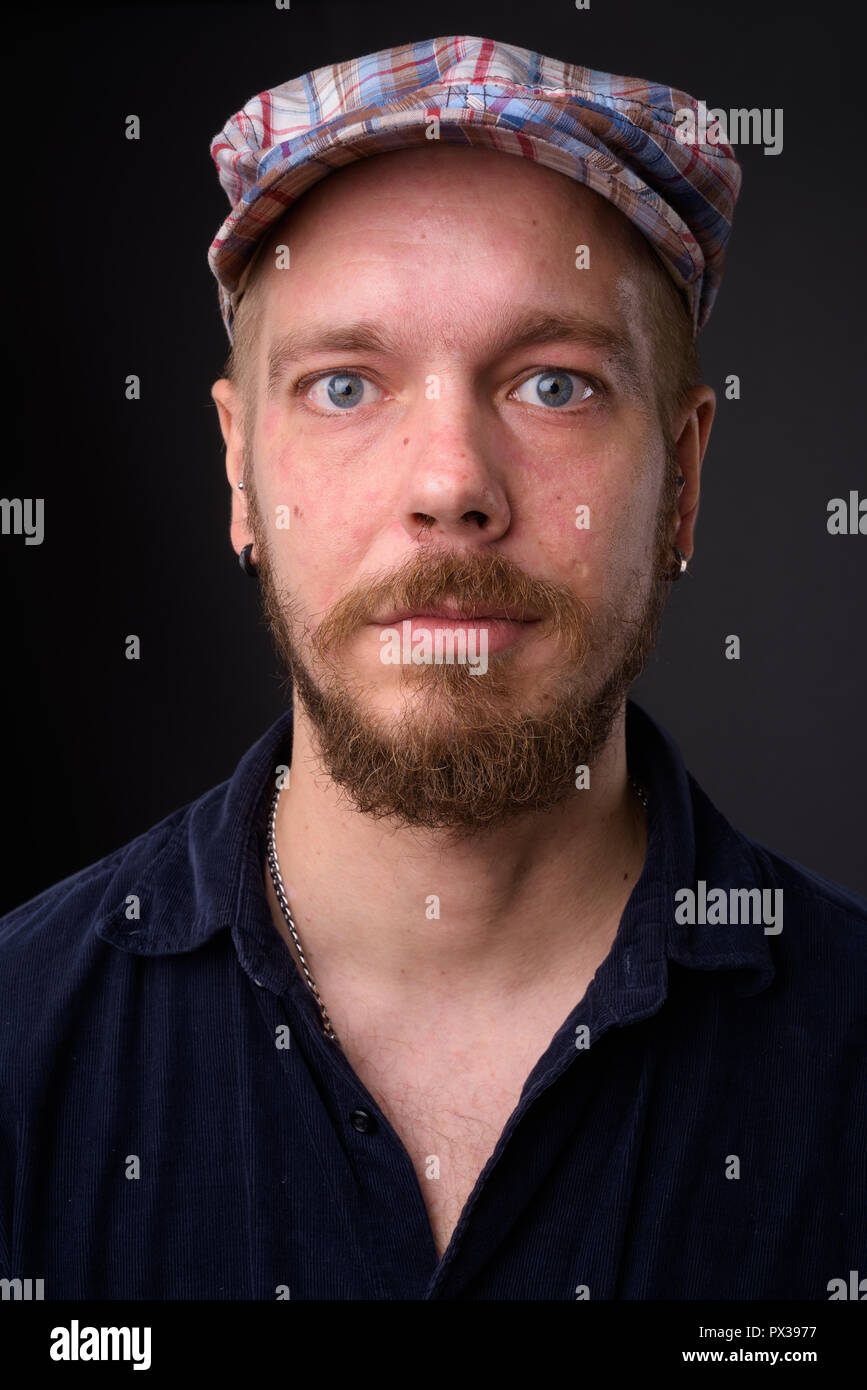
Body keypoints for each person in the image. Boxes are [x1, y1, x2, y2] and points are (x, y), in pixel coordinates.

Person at [1, 36, 864, 1301]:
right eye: (345, 385)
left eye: (555, 384)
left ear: (684, 477)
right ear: (239, 470)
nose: (451, 482)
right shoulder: (19, 1046)